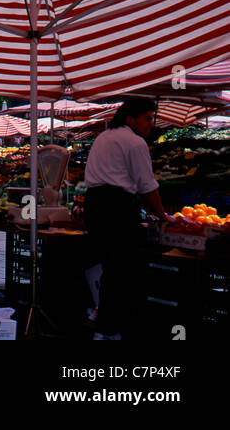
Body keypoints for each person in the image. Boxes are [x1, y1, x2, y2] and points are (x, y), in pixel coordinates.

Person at [84, 97, 174, 340]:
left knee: (109, 267)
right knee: (121, 271)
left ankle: (104, 322)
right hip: (116, 208)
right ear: (131, 118)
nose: (151, 124)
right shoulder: (134, 143)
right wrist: (163, 215)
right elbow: (147, 185)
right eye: (147, 118)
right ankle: (109, 329)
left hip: (95, 206)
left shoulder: (104, 137)